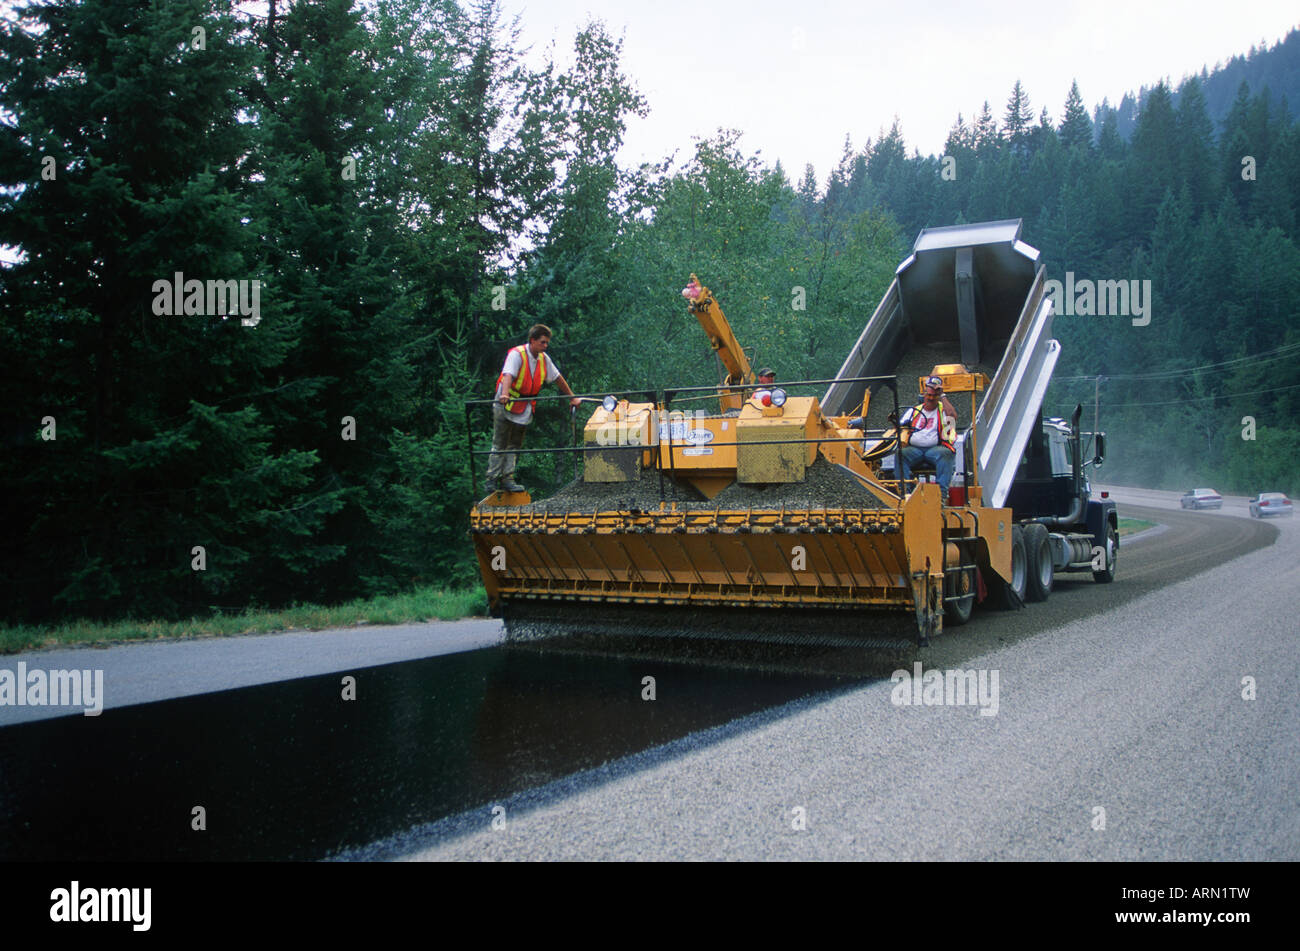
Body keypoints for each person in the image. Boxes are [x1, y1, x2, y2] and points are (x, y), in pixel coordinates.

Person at [485, 324, 580, 494]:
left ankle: (507, 478)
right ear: (533, 341)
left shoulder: (544, 359)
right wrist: (504, 394)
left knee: (514, 443)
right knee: (500, 442)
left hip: (525, 406)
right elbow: (508, 375)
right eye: (542, 342)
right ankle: (491, 480)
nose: (545, 346)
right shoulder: (517, 354)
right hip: (507, 402)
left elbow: (558, 378)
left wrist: (572, 397)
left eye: (547, 343)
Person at [899, 375, 958, 497]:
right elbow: (900, 427)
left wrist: (942, 396)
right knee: (900, 454)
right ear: (924, 394)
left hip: (935, 449)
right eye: (928, 395)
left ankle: (941, 495)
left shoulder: (943, 410)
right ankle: (905, 493)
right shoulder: (914, 411)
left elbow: (952, 417)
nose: (930, 398)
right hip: (914, 450)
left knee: (945, 453)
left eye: (934, 396)